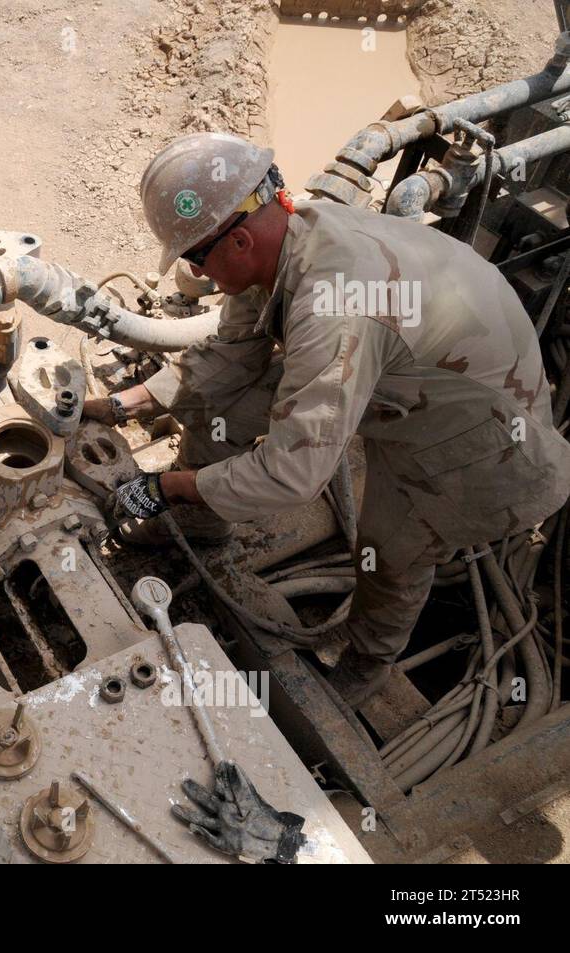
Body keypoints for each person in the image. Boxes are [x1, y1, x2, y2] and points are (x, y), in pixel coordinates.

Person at [90, 132, 570, 705]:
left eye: (196, 258)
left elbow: (293, 475)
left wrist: (166, 487)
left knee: (392, 547)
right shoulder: (285, 237)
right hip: (411, 381)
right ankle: (206, 521)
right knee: (237, 400)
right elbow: (230, 359)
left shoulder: (333, 307)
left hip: (481, 436)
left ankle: (364, 665)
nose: (199, 275)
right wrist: (120, 406)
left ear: (238, 239)